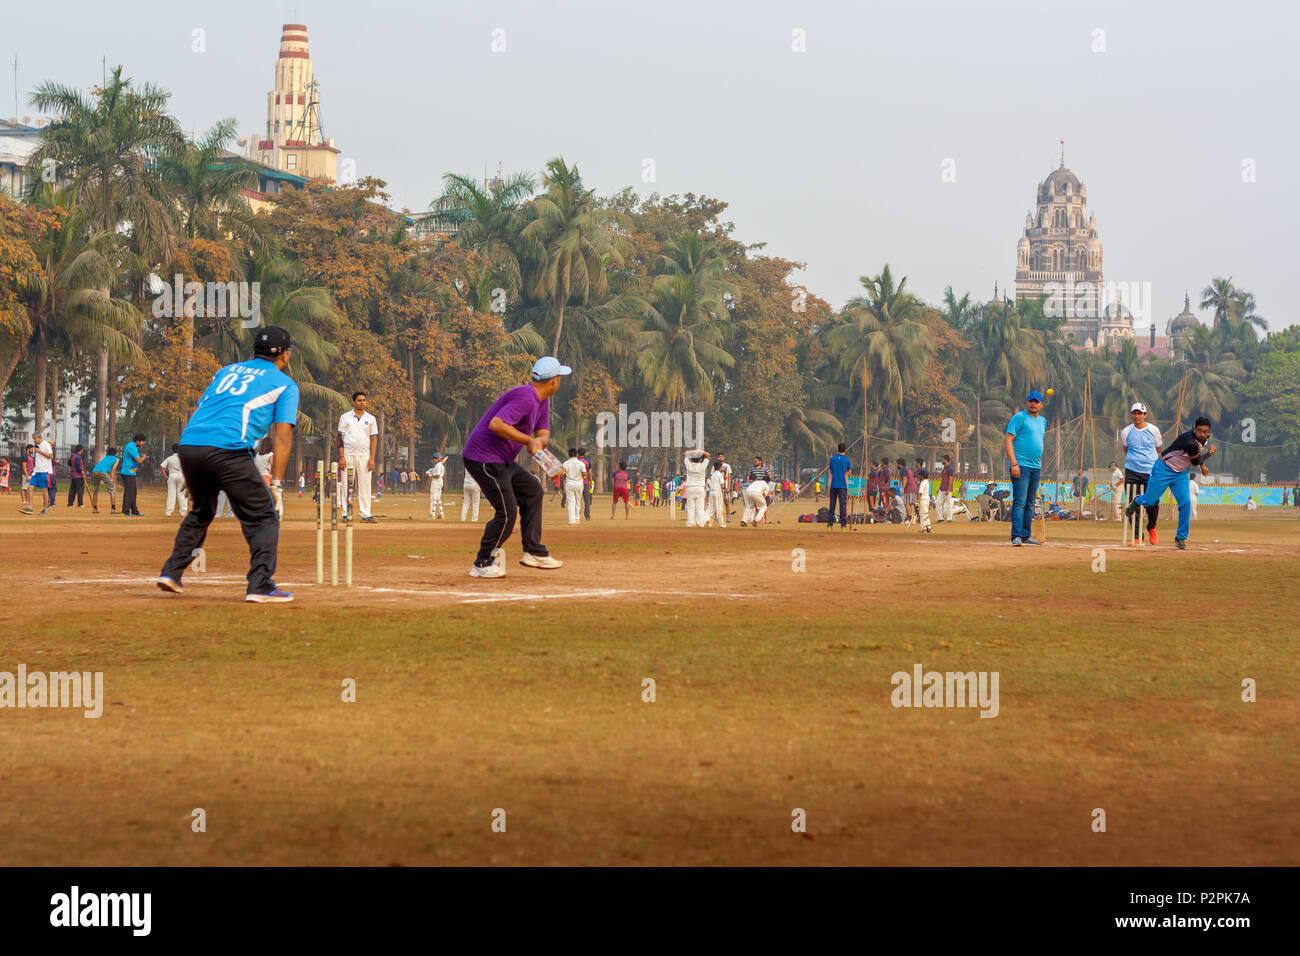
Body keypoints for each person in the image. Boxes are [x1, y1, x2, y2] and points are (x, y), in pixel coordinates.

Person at [156, 325, 299, 602]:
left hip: (191, 445)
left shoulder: (226, 371)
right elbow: (282, 436)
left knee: (201, 510)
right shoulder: (284, 384)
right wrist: (278, 486)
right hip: (229, 449)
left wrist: (195, 466)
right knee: (264, 516)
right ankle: (260, 585)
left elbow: (206, 411)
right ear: (284, 355)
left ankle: (171, 572)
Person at [461, 356, 568, 578]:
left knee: (533, 490)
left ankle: (533, 551)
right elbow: (496, 424)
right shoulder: (526, 397)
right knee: (507, 512)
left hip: (503, 460)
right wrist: (529, 441)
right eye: (560, 378)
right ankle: (482, 563)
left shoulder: (542, 400)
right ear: (555, 380)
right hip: (483, 458)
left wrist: (539, 442)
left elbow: (543, 433)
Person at [1126, 417, 1215, 550]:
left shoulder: (1203, 440)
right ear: (1194, 429)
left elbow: (1196, 456)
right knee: (1150, 501)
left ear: (1208, 432)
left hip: (1181, 474)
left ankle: (1180, 538)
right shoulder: (1189, 441)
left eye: (1205, 432)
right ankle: (1137, 500)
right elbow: (1195, 461)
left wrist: (1202, 465)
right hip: (1164, 469)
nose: (1202, 434)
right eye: (1199, 431)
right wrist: (1209, 454)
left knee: (1186, 503)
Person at [1004, 390, 1047, 546]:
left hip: (1036, 466)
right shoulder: (1019, 418)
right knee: (1020, 502)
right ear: (1027, 402)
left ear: (1041, 404)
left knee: (1030, 503)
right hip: (1020, 466)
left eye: (1037, 401)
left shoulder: (1043, 421)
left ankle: (1025, 535)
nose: (1033, 404)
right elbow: (1008, 440)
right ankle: (1016, 536)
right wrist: (1014, 463)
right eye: (1031, 401)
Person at [1120, 402, 1163, 545]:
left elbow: (1158, 449)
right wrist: (1135, 460)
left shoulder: (1153, 430)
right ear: (1131, 415)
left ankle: (1152, 527)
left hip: (1151, 471)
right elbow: (1126, 449)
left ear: (1145, 415)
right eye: (1134, 413)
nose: (1137, 416)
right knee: (1133, 503)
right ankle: (1138, 537)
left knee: (1152, 502)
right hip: (1132, 470)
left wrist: (1148, 461)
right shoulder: (1126, 431)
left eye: (1140, 413)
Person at [338, 392, 378, 524]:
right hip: (348, 456)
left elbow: (373, 439)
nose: (362, 402)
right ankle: (346, 513)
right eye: (359, 400)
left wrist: (372, 458)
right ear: (354, 402)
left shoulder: (371, 418)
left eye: (364, 400)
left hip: (364, 456)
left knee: (365, 486)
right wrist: (341, 457)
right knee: (346, 484)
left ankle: (365, 514)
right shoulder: (345, 417)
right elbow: (339, 438)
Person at [23, 434, 55, 515]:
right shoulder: (37, 446)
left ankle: (45, 508)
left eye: (35, 438)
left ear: (40, 438)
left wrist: (40, 451)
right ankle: (30, 508)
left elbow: (51, 456)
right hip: (36, 471)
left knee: (44, 490)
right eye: (33, 438)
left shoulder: (46, 445)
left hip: (44, 471)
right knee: (29, 488)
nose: (34, 440)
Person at [120, 433, 146, 516]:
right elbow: (139, 461)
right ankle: (125, 511)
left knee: (133, 492)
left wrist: (140, 456)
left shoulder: (132, 446)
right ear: (138, 441)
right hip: (128, 472)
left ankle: (134, 511)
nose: (143, 444)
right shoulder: (132, 446)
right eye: (142, 442)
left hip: (130, 472)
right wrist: (144, 457)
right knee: (129, 492)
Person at [742, 456, 772, 527]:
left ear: (760, 461)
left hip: (752, 488)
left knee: (750, 506)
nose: (755, 462)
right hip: (758, 489)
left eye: (756, 461)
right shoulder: (752, 468)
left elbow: (769, 474)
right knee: (764, 506)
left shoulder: (765, 468)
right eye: (755, 461)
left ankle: (744, 520)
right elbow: (748, 475)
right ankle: (756, 520)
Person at [827, 442, 851, 530]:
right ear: (845, 450)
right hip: (842, 485)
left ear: (838, 449)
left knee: (832, 505)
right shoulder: (847, 460)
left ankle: (829, 525)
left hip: (833, 485)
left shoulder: (832, 459)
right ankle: (843, 525)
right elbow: (849, 472)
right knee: (843, 505)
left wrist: (829, 487)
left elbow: (830, 473)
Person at [89, 447, 120, 514]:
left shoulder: (106, 457)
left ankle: (95, 509)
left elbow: (107, 469)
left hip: (94, 471)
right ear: (115, 453)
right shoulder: (116, 459)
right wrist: (114, 482)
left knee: (95, 490)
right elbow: (113, 470)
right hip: (102, 472)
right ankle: (113, 509)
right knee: (112, 489)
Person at [160, 444, 189, 517]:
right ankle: (183, 512)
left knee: (171, 494)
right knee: (182, 494)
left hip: (172, 476)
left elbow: (162, 466)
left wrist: (166, 477)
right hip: (182, 476)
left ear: (172, 450)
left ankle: (168, 512)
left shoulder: (170, 458)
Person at [683, 450, 709, 527]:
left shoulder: (689, 464)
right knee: (700, 507)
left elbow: (685, 454)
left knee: (690, 507)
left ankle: (690, 523)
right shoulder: (702, 465)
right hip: (700, 488)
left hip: (690, 487)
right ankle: (701, 523)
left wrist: (693, 452)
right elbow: (708, 456)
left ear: (691, 459)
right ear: (701, 459)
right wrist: (700, 451)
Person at [561, 447, 587, 525]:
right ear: (576, 455)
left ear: (569, 455)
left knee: (571, 502)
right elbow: (585, 474)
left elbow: (563, 474)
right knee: (578, 501)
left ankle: (571, 520)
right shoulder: (580, 463)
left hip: (569, 483)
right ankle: (577, 519)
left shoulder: (565, 463)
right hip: (579, 483)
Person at [706, 456, 727, 528]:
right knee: (719, 508)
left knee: (710, 508)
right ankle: (722, 524)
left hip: (712, 492)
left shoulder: (713, 474)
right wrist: (725, 486)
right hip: (718, 492)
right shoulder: (720, 474)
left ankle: (705, 519)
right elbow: (722, 486)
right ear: (720, 467)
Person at [425, 453, 447, 518]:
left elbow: (437, 476)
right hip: (439, 482)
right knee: (438, 499)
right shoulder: (438, 465)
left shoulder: (439, 465)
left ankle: (432, 514)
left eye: (435, 458)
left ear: (439, 458)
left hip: (436, 482)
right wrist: (429, 473)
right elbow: (433, 472)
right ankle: (441, 513)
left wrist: (430, 476)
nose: (434, 459)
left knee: (433, 498)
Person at [936, 454, 955, 522]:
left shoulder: (950, 468)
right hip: (941, 489)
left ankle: (949, 518)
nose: (942, 460)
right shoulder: (944, 468)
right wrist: (939, 487)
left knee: (948, 504)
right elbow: (943, 479)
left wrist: (949, 489)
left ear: (946, 460)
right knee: (938, 503)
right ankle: (940, 518)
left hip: (947, 489)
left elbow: (950, 479)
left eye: (943, 459)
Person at [577, 447, 593, 519]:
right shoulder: (587, 462)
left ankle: (577, 514)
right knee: (587, 500)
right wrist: (590, 481)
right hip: (585, 482)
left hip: (577, 482)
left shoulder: (576, 461)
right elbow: (590, 473)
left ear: (578, 453)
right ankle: (587, 516)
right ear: (585, 453)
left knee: (577, 499)